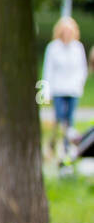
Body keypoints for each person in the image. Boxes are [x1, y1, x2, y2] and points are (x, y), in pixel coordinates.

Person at [41, 17, 87, 160]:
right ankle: (55, 142)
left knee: (70, 119)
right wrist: (46, 91)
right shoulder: (53, 47)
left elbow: (82, 69)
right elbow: (48, 70)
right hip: (58, 88)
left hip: (73, 89)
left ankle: (66, 147)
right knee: (60, 118)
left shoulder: (77, 47)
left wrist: (79, 84)